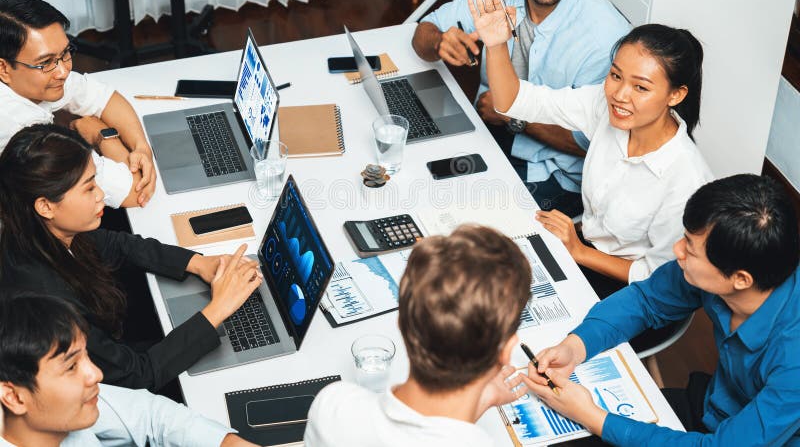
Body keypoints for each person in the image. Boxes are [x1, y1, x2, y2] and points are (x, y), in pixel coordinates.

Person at [469, 0, 714, 298]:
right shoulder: (605, 104)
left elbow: (657, 277)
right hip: (582, 245)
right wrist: (497, 44)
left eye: (640, 88)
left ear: (676, 95)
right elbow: (514, 101)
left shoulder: (687, 180)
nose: (619, 95)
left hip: (629, 287)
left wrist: (579, 252)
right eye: (615, 76)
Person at [522, 174, 800, 445]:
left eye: (690, 248)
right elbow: (646, 300)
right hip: (713, 407)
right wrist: (576, 345)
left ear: (740, 279)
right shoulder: (726, 270)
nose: (677, 250)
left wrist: (592, 417)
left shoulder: (793, 359)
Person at [0, 124, 263, 391]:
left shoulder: (33, 231)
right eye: (89, 188)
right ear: (45, 206)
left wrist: (198, 262)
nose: (101, 194)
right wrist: (219, 309)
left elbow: (115, 244)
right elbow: (138, 374)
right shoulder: (49, 304)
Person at [412, 0, 629, 217]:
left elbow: (598, 146)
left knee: (468, 224)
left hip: (552, 173)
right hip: (485, 133)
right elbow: (424, 30)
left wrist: (515, 119)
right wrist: (439, 42)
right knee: (416, 180)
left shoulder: (605, 38)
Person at [304, 225, 533, 446]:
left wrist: (479, 402)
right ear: (505, 351)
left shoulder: (333, 407)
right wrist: (477, 404)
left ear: (402, 323)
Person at [0, 292, 259, 447]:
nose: (96, 375)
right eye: (71, 367)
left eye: (85, 357)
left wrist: (227, 442)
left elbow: (150, 414)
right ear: (13, 397)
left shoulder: (63, 410)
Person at [0, 0, 155, 209]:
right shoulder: (22, 129)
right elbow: (134, 192)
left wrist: (142, 147)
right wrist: (102, 135)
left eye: (65, 53)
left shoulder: (34, 75)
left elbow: (104, 98)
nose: (63, 71)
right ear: (4, 68)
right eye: (45, 62)